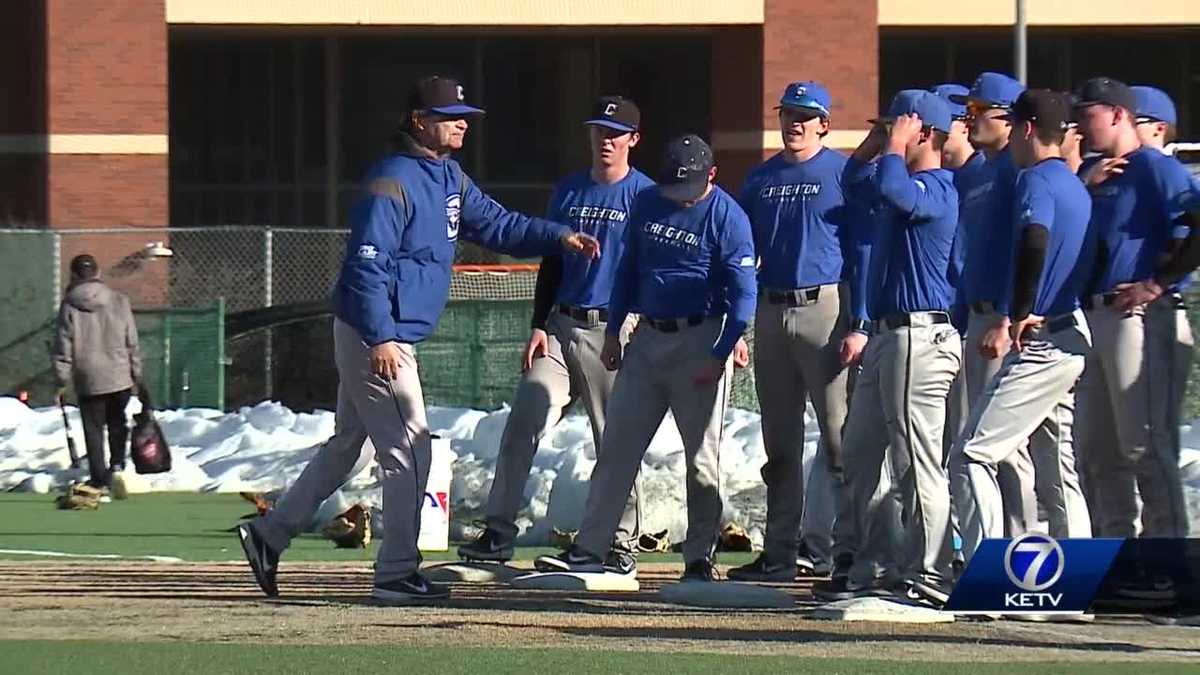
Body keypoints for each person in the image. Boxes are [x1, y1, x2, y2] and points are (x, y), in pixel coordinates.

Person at [236, 75, 600, 602]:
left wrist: (558, 235)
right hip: (375, 333)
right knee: (411, 450)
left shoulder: (448, 176)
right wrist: (381, 337)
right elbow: (366, 266)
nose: (462, 125)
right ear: (417, 121)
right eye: (450, 117)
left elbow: (498, 225)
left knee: (350, 447)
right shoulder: (392, 180)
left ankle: (270, 535)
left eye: (464, 117)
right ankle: (396, 572)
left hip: (383, 331)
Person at [534, 134, 756, 582]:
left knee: (701, 458)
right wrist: (614, 330)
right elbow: (628, 270)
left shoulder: (727, 217)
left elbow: (744, 295)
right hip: (649, 336)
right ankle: (591, 548)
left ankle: (699, 557)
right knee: (617, 446)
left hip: (701, 336)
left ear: (711, 176)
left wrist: (721, 351)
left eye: (689, 188)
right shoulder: (649, 203)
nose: (680, 196)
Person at [458, 96, 654, 574]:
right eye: (599, 130)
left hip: (613, 329)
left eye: (615, 133)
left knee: (616, 439)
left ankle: (619, 540)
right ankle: (498, 532)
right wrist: (538, 324)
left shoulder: (645, 196)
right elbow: (551, 261)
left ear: (633, 140)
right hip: (562, 325)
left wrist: (635, 324)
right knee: (523, 419)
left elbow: (651, 268)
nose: (605, 140)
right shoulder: (569, 190)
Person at [815, 90, 961, 608]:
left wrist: (896, 147)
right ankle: (873, 564)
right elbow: (853, 181)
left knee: (915, 461)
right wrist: (878, 142)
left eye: (899, 125)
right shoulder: (892, 175)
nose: (889, 134)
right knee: (858, 455)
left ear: (927, 134)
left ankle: (931, 571)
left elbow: (899, 192)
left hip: (921, 334)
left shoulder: (939, 187)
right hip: (886, 334)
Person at [726, 81, 861, 582]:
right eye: (788, 114)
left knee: (839, 439)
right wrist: (734, 321)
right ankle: (781, 552)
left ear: (824, 123)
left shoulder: (842, 172)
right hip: (771, 306)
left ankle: (846, 552)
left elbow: (861, 250)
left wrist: (860, 321)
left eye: (805, 116)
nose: (794, 124)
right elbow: (739, 250)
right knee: (779, 443)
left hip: (825, 307)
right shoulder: (762, 178)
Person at [956, 89, 1095, 561]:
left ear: (1028, 128)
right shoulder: (1074, 184)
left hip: (1042, 340)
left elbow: (1035, 239)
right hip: (1070, 330)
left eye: (1014, 126)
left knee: (972, 453)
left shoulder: (1035, 178)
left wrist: (1015, 313)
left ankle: (986, 574)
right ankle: (1076, 581)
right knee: (1057, 467)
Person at [1073, 77, 1200, 542]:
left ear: (1117, 114)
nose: (1080, 125)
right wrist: (1083, 185)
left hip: (1136, 316)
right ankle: (1117, 555)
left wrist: (1156, 283)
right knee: (1096, 451)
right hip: (1094, 315)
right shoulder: (1095, 172)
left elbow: (1195, 225)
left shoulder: (1153, 167)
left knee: (1144, 443)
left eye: (1088, 114)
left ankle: (1168, 554)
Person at [945, 73, 1042, 540]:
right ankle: (987, 545)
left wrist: (1008, 315)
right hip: (976, 316)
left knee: (1005, 444)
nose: (969, 119)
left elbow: (1027, 248)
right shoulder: (975, 173)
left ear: (1008, 118)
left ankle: (1022, 549)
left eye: (978, 111)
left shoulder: (1016, 171)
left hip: (1005, 320)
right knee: (975, 438)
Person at [52, 254, 143, 495]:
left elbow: (63, 347)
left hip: (88, 377)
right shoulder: (119, 301)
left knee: (93, 430)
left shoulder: (69, 305)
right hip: (119, 375)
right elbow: (132, 341)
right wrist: (136, 373)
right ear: (97, 272)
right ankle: (117, 466)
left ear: (73, 275)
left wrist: (60, 380)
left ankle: (99, 479)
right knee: (117, 422)